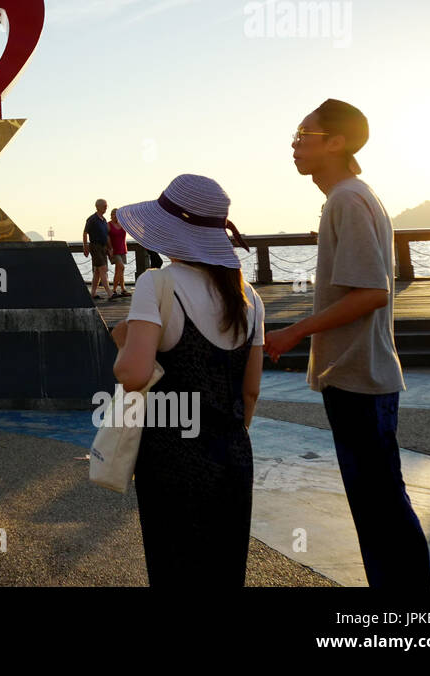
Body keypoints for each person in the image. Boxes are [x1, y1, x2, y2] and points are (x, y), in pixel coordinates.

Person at [265, 100, 430, 587]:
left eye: (303, 133)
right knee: (380, 502)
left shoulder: (346, 199)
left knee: (379, 505)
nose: (294, 143)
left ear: (335, 142)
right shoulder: (356, 196)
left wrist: (295, 331)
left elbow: (372, 293)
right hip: (361, 375)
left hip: (360, 377)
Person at [111, 174, 264, 586]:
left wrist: (122, 340)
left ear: (170, 233)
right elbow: (250, 392)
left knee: (175, 569)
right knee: (225, 570)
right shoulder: (249, 297)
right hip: (233, 454)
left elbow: (134, 375)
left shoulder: (157, 284)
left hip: (171, 457)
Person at [82, 199, 110, 300]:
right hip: (95, 246)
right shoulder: (92, 219)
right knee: (103, 269)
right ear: (98, 206)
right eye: (104, 206)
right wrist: (85, 247)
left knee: (98, 272)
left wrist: (109, 248)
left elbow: (106, 235)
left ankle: (92, 293)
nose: (106, 207)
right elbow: (85, 233)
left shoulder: (104, 219)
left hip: (103, 247)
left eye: (106, 205)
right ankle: (110, 293)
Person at [108, 209, 129, 299]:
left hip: (122, 249)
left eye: (116, 215)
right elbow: (107, 237)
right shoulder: (108, 225)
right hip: (114, 250)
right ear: (111, 215)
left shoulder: (123, 224)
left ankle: (116, 290)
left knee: (119, 270)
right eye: (113, 214)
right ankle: (120, 289)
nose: (115, 216)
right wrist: (110, 249)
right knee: (121, 267)